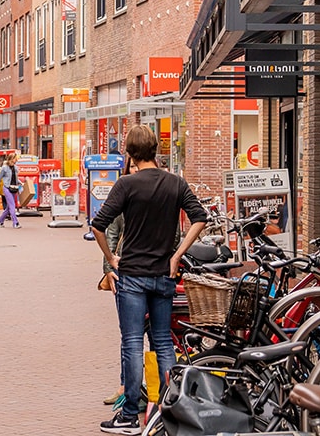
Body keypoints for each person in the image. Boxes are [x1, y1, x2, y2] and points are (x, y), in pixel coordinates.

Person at [91, 125, 208, 435]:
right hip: (164, 275)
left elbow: (98, 225)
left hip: (131, 276)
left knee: (131, 343)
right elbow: (200, 217)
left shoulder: (126, 185)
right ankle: (169, 413)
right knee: (162, 345)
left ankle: (129, 417)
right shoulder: (175, 183)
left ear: (130, 152)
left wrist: (112, 259)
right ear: (156, 149)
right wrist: (177, 254)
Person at [0, 152, 22, 228]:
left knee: (9, 207)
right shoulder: (4, 168)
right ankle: (15, 223)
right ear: (11, 159)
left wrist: (21, 183)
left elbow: (15, 179)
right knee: (12, 205)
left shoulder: (16, 168)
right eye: (15, 158)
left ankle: (1, 220)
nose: (16, 160)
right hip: (7, 188)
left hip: (14, 188)